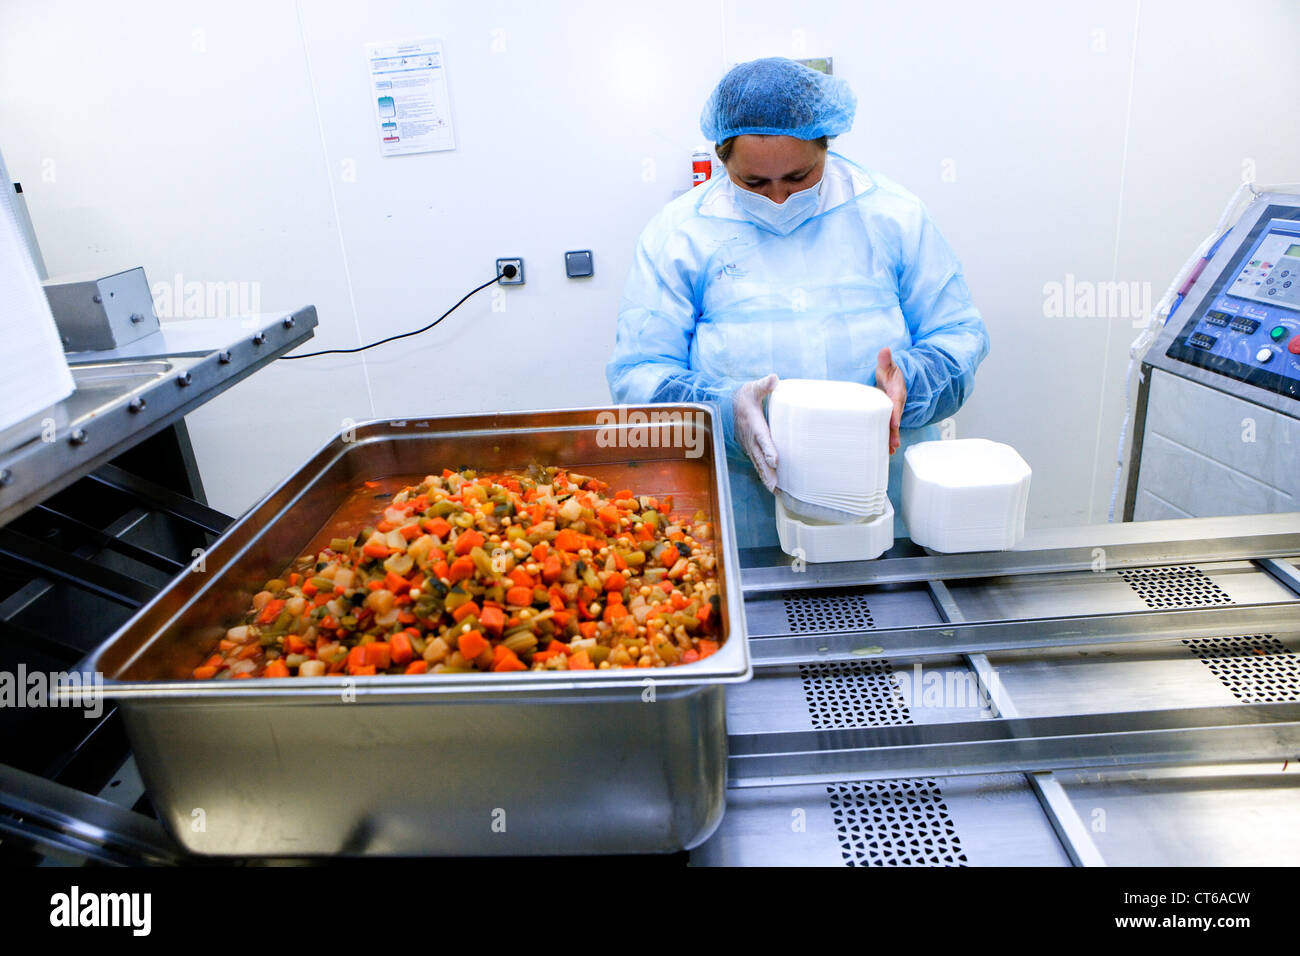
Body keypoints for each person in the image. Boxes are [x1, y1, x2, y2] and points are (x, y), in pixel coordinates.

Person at [606, 57, 990, 549]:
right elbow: (637, 374)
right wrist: (723, 413)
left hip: (880, 514)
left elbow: (959, 334)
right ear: (722, 161)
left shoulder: (892, 217)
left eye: (799, 176)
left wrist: (912, 380)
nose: (780, 199)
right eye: (755, 184)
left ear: (825, 146)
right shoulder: (679, 236)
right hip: (744, 525)